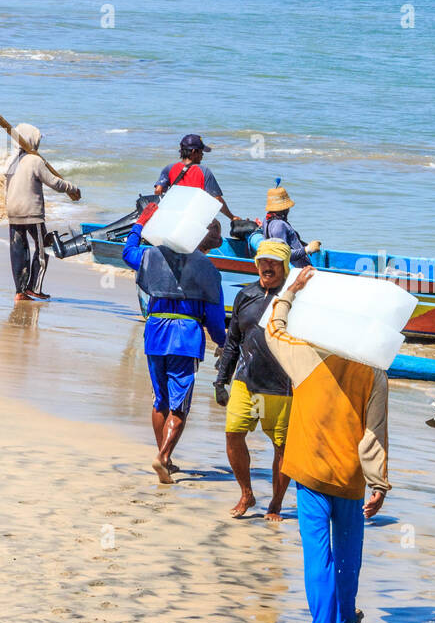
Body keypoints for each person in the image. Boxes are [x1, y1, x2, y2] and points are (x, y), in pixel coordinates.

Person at [265, 265, 389, 623]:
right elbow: (374, 433)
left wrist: (292, 291)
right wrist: (379, 482)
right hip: (350, 478)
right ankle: (346, 614)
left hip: (310, 473)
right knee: (349, 552)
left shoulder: (305, 357)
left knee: (316, 552)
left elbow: (272, 329)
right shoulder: (375, 372)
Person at [122, 217, 226, 483]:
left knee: (160, 400)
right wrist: (224, 344)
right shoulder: (209, 271)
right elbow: (214, 319)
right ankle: (163, 457)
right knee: (179, 406)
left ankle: (164, 458)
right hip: (185, 338)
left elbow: (127, 253)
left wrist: (140, 224)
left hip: (155, 332)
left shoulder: (153, 255)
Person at [214, 239, 293, 520]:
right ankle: (246, 493)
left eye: (273, 262)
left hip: (282, 388)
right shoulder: (245, 295)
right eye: (262, 261)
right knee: (233, 434)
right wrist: (220, 381)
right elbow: (233, 341)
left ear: (284, 265)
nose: (267, 266)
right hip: (245, 381)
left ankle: (275, 505)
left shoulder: (294, 299)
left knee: (282, 446)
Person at [4, 123, 81, 301]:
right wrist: (73, 187)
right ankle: (34, 288)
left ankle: (20, 291)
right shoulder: (35, 161)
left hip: (13, 211)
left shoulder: (11, 160)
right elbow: (55, 183)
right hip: (32, 212)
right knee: (44, 248)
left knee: (19, 251)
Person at [154, 134, 240, 225]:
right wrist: (232, 217)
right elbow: (217, 199)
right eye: (201, 152)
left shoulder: (169, 168)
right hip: (194, 219)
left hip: (173, 217)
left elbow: (158, 190)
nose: (202, 155)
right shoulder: (204, 171)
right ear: (194, 152)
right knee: (216, 225)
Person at [250, 181, 320, 268]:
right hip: (297, 270)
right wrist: (307, 249)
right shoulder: (280, 225)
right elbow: (285, 254)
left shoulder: (267, 220)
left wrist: (305, 245)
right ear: (284, 208)